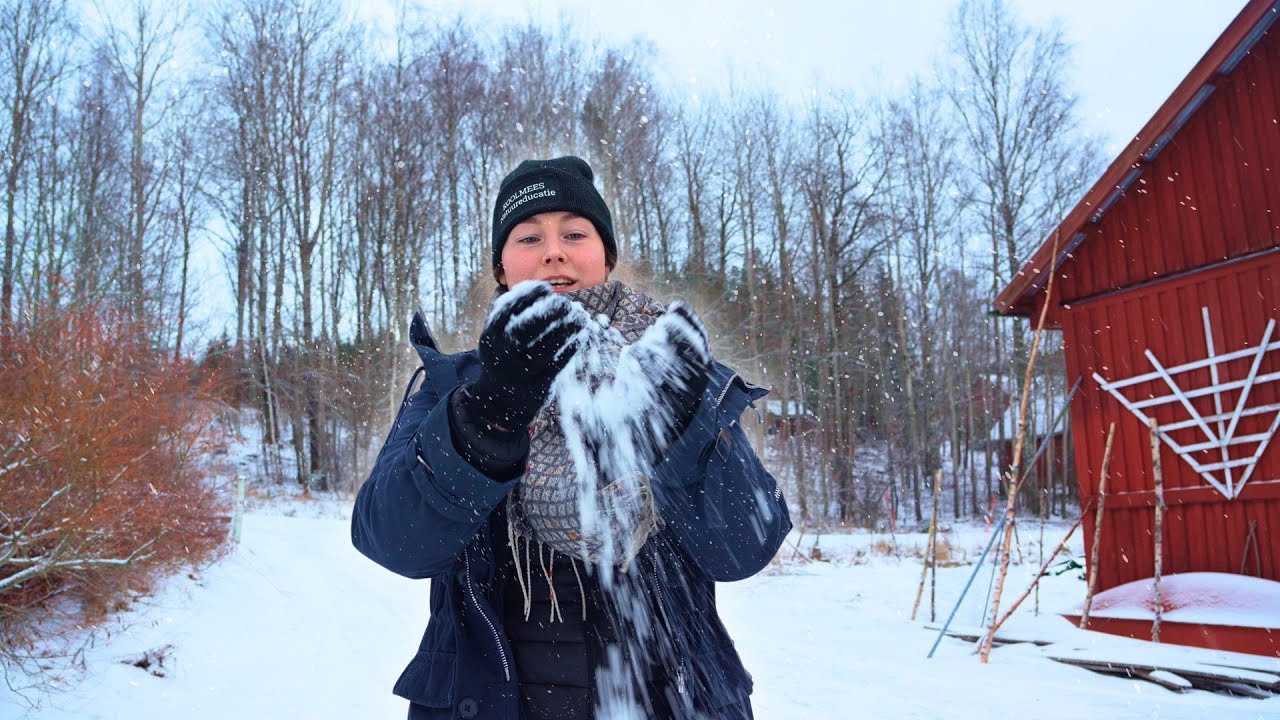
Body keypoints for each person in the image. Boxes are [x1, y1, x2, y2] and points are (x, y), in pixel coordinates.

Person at [352, 155, 791, 720]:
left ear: (606, 257)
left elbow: (743, 549)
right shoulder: (451, 393)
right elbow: (394, 540)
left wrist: (680, 431)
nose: (553, 251)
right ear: (502, 269)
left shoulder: (672, 374)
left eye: (575, 233)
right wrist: (491, 413)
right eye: (529, 236)